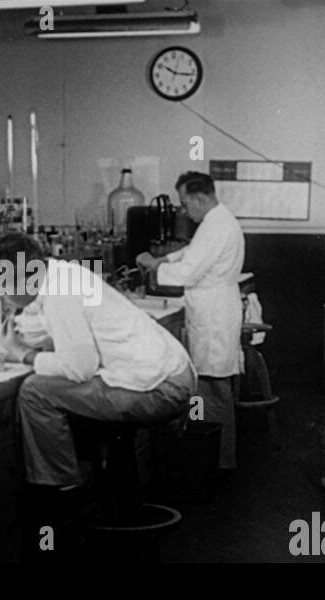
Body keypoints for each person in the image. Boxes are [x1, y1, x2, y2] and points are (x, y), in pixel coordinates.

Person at [0, 232, 196, 491]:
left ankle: (59, 491)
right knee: (43, 385)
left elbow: (78, 368)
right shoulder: (56, 276)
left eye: (0, 289)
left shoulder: (61, 292)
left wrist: (26, 356)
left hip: (160, 389)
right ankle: (80, 481)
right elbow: (11, 338)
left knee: (35, 391)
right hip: (170, 373)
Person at [136, 171, 245, 469]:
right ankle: (215, 458)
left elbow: (189, 270)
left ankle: (217, 462)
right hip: (215, 308)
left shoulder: (215, 225)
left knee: (213, 387)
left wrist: (151, 268)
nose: (184, 211)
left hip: (213, 314)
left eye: (185, 204)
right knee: (212, 387)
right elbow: (192, 252)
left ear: (200, 198)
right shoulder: (218, 220)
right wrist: (164, 260)